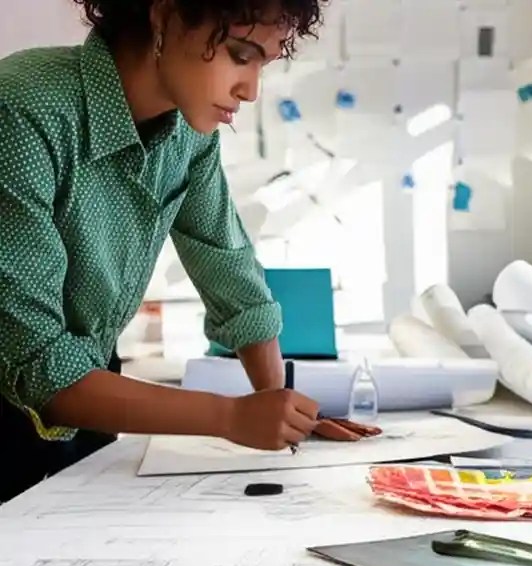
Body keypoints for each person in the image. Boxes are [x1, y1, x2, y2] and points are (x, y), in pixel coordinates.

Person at [0, 0, 369, 500]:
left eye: (265, 62)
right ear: (165, 18)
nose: (252, 90)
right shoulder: (22, 108)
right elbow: (39, 364)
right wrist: (231, 415)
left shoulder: (188, 135)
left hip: (89, 391)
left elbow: (228, 266)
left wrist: (278, 406)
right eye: (240, 55)